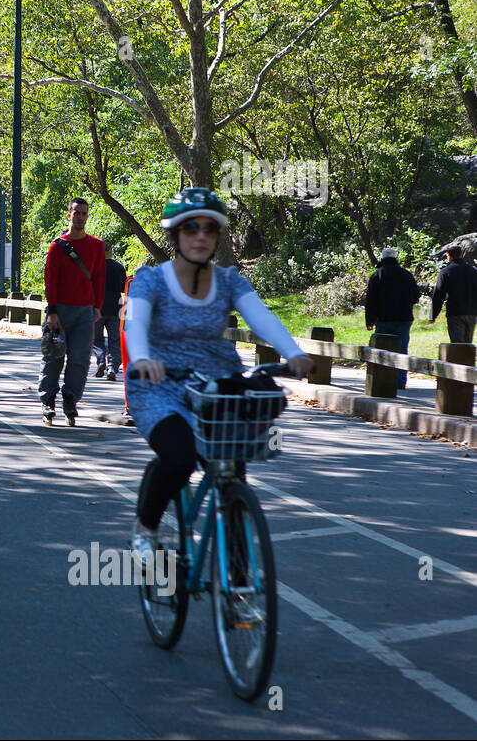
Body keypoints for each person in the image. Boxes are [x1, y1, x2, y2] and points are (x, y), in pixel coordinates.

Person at [124, 188, 314, 564]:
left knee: (233, 472)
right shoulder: (151, 280)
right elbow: (135, 322)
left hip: (217, 385)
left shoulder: (228, 281)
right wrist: (144, 357)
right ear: (175, 235)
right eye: (190, 227)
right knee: (178, 458)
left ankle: (240, 592)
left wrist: (292, 352)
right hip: (159, 383)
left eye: (209, 229)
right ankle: (146, 528)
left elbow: (260, 316)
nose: (200, 236)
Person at [39, 198, 106, 425]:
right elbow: (51, 279)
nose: (80, 217)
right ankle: (48, 401)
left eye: (84, 213)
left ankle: (70, 400)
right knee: (53, 356)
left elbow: (99, 278)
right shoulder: (57, 246)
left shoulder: (96, 245)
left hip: (85, 311)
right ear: (69, 215)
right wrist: (53, 310)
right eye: (76, 213)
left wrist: (97, 306)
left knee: (80, 360)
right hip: (60, 311)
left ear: (88, 216)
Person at [364, 247, 422, 388]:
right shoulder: (406, 275)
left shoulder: (377, 275)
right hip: (404, 318)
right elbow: (416, 297)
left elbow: (370, 301)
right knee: (402, 349)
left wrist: (369, 321)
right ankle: (400, 381)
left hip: (384, 319)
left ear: (382, 258)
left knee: (382, 350)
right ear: (396, 258)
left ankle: (383, 379)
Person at [429, 243, 477, 344]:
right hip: (471, 312)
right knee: (468, 344)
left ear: (448, 256)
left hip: (455, 313)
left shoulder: (445, 272)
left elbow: (438, 295)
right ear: (461, 255)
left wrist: (433, 315)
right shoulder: (473, 271)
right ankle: (467, 359)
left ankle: (459, 360)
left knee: (457, 344)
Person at [93, 244, 126, 382]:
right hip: (115, 308)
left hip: (97, 308)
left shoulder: (93, 267)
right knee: (115, 340)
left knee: (96, 339)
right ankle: (112, 367)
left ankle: (101, 361)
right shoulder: (118, 267)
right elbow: (124, 287)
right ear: (111, 250)